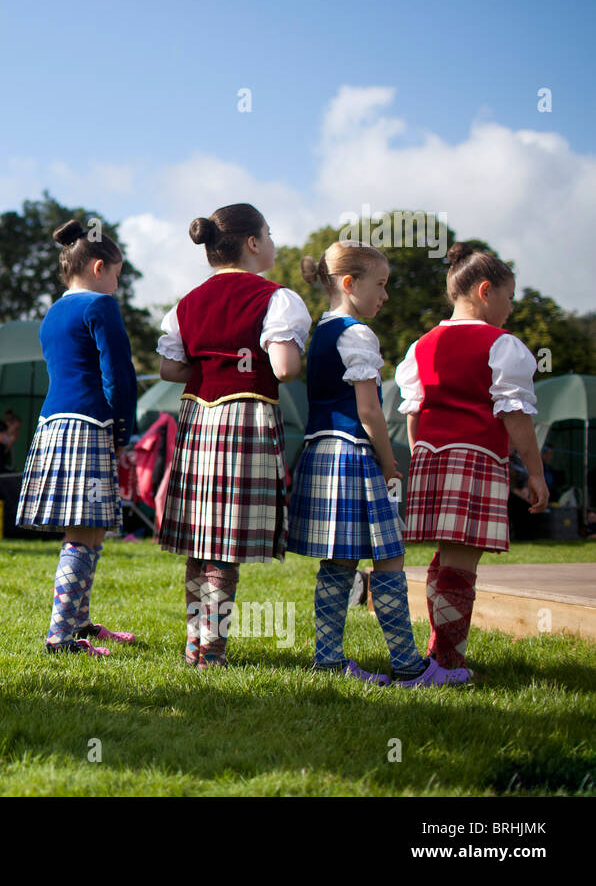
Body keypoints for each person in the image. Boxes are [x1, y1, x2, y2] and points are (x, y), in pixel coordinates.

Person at [288, 242, 449, 685]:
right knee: (391, 559)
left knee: (337, 564)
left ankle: (328, 660)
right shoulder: (357, 333)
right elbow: (370, 411)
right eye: (380, 284)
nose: (386, 295)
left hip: (319, 451)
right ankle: (409, 666)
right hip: (352, 453)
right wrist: (388, 461)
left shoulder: (321, 332)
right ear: (348, 283)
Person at [156, 204, 309, 669]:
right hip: (245, 417)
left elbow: (168, 368)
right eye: (269, 232)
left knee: (200, 541)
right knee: (226, 543)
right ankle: (213, 653)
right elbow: (284, 368)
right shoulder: (277, 299)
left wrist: (211, 363)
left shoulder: (186, 302)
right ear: (253, 243)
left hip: (198, 417)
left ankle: (193, 648)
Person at [396, 242, 547, 677]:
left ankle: (439, 654)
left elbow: (414, 412)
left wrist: (420, 459)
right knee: (460, 565)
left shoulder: (422, 345)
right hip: (476, 458)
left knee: (448, 559)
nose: (510, 308)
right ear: (486, 291)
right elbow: (515, 415)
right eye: (509, 297)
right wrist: (534, 473)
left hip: (430, 457)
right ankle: (446, 664)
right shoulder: (502, 345)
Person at [15, 219, 137, 654]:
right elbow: (119, 378)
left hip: (52, 425)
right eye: (118, 277)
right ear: (100, 267)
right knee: (84, 532)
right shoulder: (100, 307)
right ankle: (60, 637)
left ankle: (80, 623)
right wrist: (123, 429)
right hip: (90, 425)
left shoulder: (53, 312)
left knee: (91, 528)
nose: (118, 287)